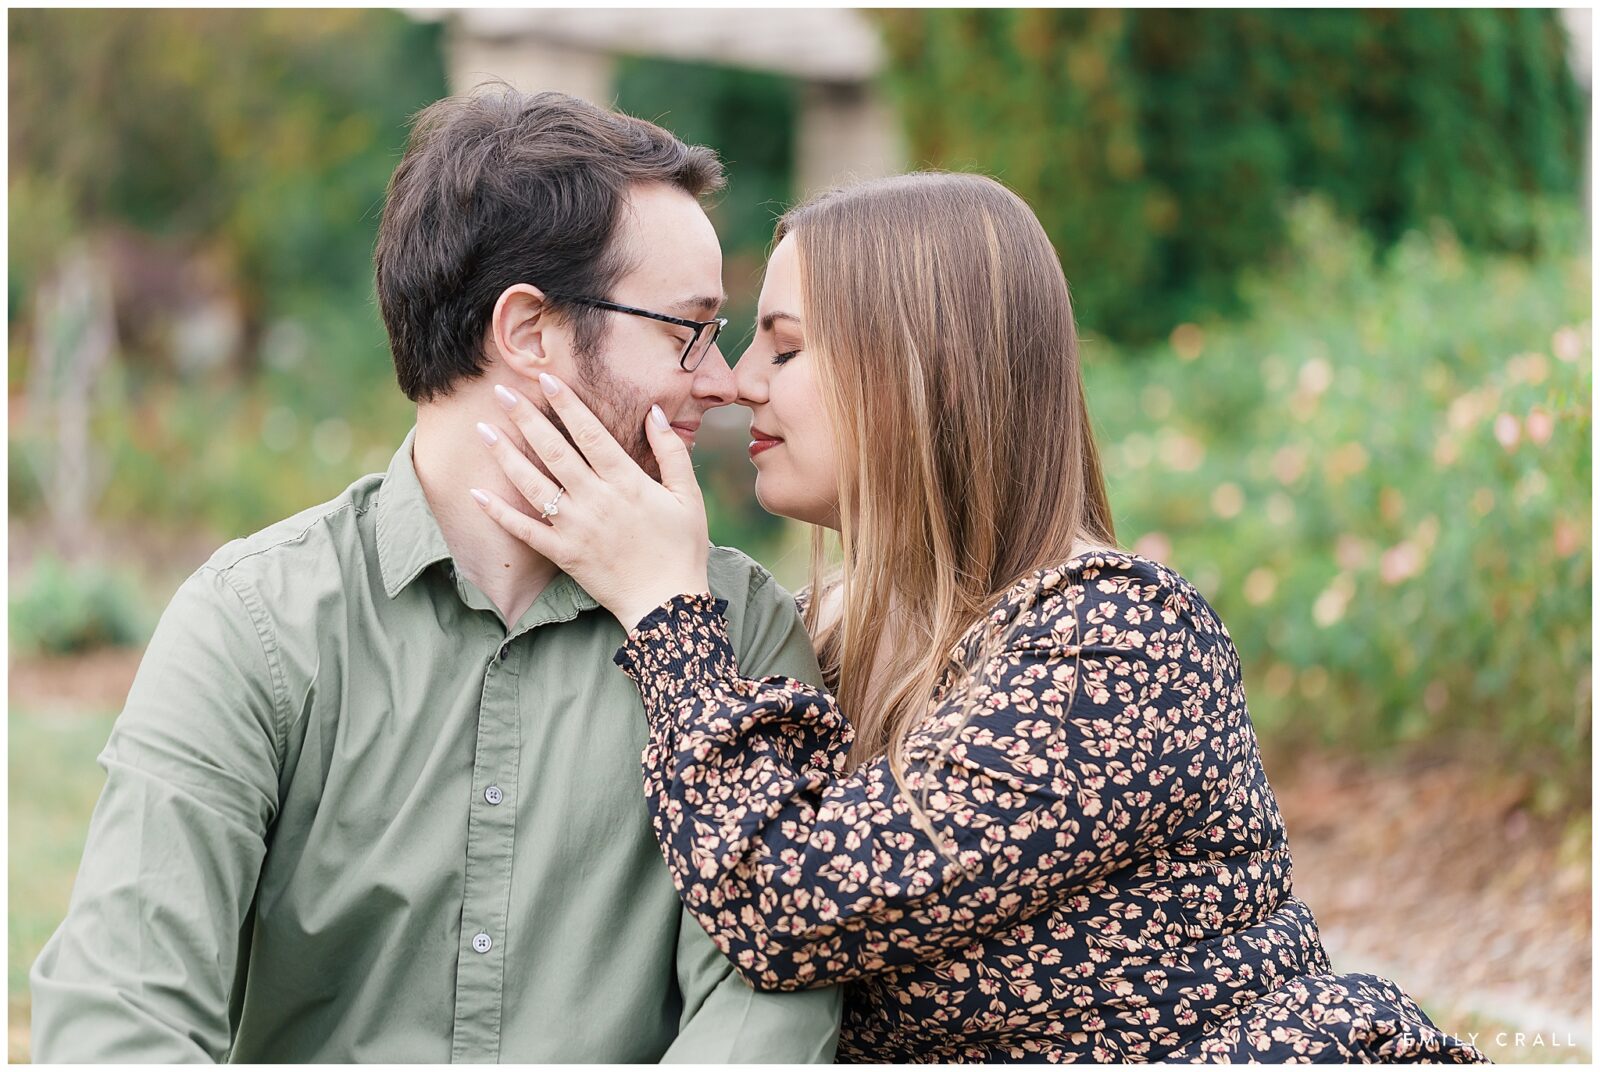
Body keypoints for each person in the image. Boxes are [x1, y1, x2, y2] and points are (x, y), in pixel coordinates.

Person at [470, 172, 1490, 1063]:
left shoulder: (1117, 644)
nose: (737, 383)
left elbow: (792, 907)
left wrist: (664, 606)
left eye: (786, 348)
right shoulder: (822, 633)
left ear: (920, 370)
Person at [29, 88, 841, 1062]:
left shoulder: (740, 633)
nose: (721, 380)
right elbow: (118, 1017)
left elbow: (767, 1015)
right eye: (686, 331)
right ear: (528, 331)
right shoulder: (255, 623)